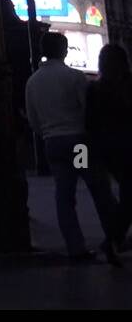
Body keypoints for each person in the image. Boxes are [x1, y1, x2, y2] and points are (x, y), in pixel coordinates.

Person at [26, 31, 121, 265]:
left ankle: (75, 247)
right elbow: (86, 111)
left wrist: (46, 132)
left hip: (52, 142)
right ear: (64, 49)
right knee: (97, 187)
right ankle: (114, 237)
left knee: (64, 195)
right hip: (77, 141)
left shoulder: (33, 81)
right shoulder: (74, 77)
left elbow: (33, 118)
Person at [87, 44, 132, 247]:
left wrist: (86, 157)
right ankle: (114, 236)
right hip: (127, 146)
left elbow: (89, 124)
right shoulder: (128, 84)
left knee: (125, 192)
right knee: (128, 195)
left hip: (109, 150)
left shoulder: (95, 88)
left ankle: (114, 236)